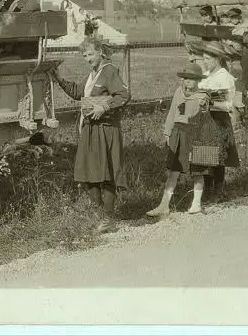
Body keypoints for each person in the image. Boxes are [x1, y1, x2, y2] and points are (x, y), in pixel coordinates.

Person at [50, 36, 130, 232]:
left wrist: (104, 107)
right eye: (84, 55)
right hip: (90, 128)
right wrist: (59, 79)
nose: (88, 58)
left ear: (100, 52)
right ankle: (100, 214)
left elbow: (123, 95)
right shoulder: (93, 74)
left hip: (106, 129)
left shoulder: (109, 71)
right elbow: (78, 92)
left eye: (90, 54)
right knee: (89, 172)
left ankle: (108, 218)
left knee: (107, 172)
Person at [147, 62, 212, 217]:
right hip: (178, 133)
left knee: (197, 171)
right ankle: (164, 205)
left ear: (198, 80)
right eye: (184, 78)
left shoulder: (203, 96)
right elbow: (172, 113)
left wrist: (204, 106)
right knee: (173, 171)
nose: (187, 81)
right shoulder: (178, 92)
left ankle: (196, 204)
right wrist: (168, 132)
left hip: (196, 136)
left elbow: (205, 114)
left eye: (191, 78)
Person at [196, 41, 241, 202]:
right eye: (203, 59)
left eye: (207, 59)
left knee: (218, 158)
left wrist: (211, 103)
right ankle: (207, 190)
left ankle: (218, 190)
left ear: (216, 59)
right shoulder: (206, 76)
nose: (205, 62)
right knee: (205, 155)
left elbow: (229, 105)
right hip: (205, 120)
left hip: (219, 120)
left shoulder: (225, 78)